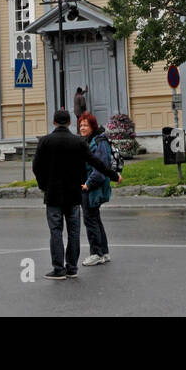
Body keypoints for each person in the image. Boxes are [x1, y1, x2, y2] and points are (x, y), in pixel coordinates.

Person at [32, 109, 120, 280]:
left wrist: (44, 185)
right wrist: (114, 175)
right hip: (74, 194)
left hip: (53, 195)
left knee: (56, 230)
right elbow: (96, 162)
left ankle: (58, 269)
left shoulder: (45, 142)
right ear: (70, 123)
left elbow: (36, 167)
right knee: (73, 231)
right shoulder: (78, 142)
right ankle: (72, 267)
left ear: (53, 122)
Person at [78, 113, 113, 266]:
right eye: (80, 125)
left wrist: (88, 184)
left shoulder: (99, 141)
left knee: (90, 220)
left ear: (93, 126)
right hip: (91, 185)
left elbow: (100, 166)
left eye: (85, 125)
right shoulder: (90, 140)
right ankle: (103, 252)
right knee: (95, 219)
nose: (82, 128)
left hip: (93, 187)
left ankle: (96, 253)